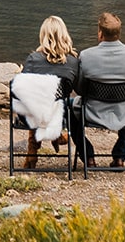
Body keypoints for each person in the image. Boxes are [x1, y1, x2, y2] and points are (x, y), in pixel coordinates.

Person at [71, 10, 125, 168]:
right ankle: (120, 156)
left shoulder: (86, 55)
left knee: (69, 108)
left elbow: (79, 88)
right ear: (119, 33)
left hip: (93, 113)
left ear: (100, 33)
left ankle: (88, 157)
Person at [12, 15, 79, 169]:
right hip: (59, 116)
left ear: (43, 35)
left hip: (31, 116)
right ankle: (56, 136)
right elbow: (80, 90)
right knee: (67, 104)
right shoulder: (73, 62)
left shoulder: (33, 59)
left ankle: (33, 152)